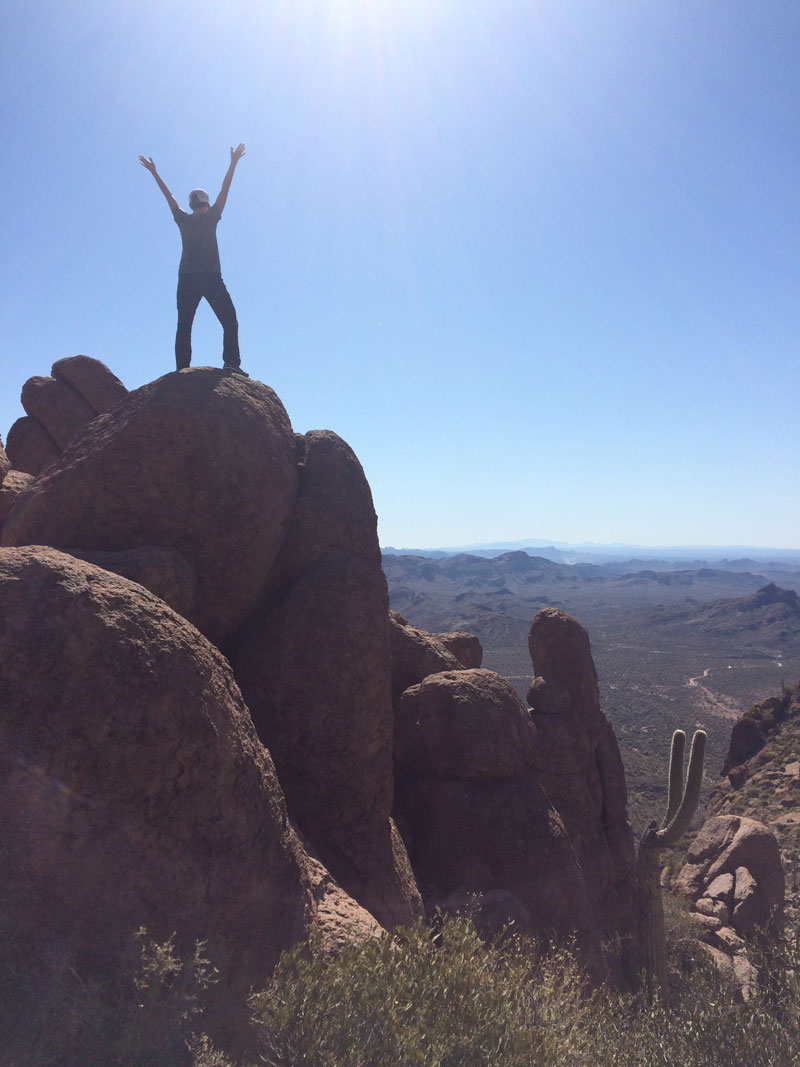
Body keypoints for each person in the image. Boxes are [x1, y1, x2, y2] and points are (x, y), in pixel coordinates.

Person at [139, 145, 248, 375]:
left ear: (190, 204)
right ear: (206, 203)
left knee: (184, 325)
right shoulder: (211, 218)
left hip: (186, 278)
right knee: (230, 320)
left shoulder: (183, 219)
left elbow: (168, 196)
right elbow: (224, 190)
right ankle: (231, 363)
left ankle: (182, 371)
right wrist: (233, 163)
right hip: (210, 277)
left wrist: (153, 172)